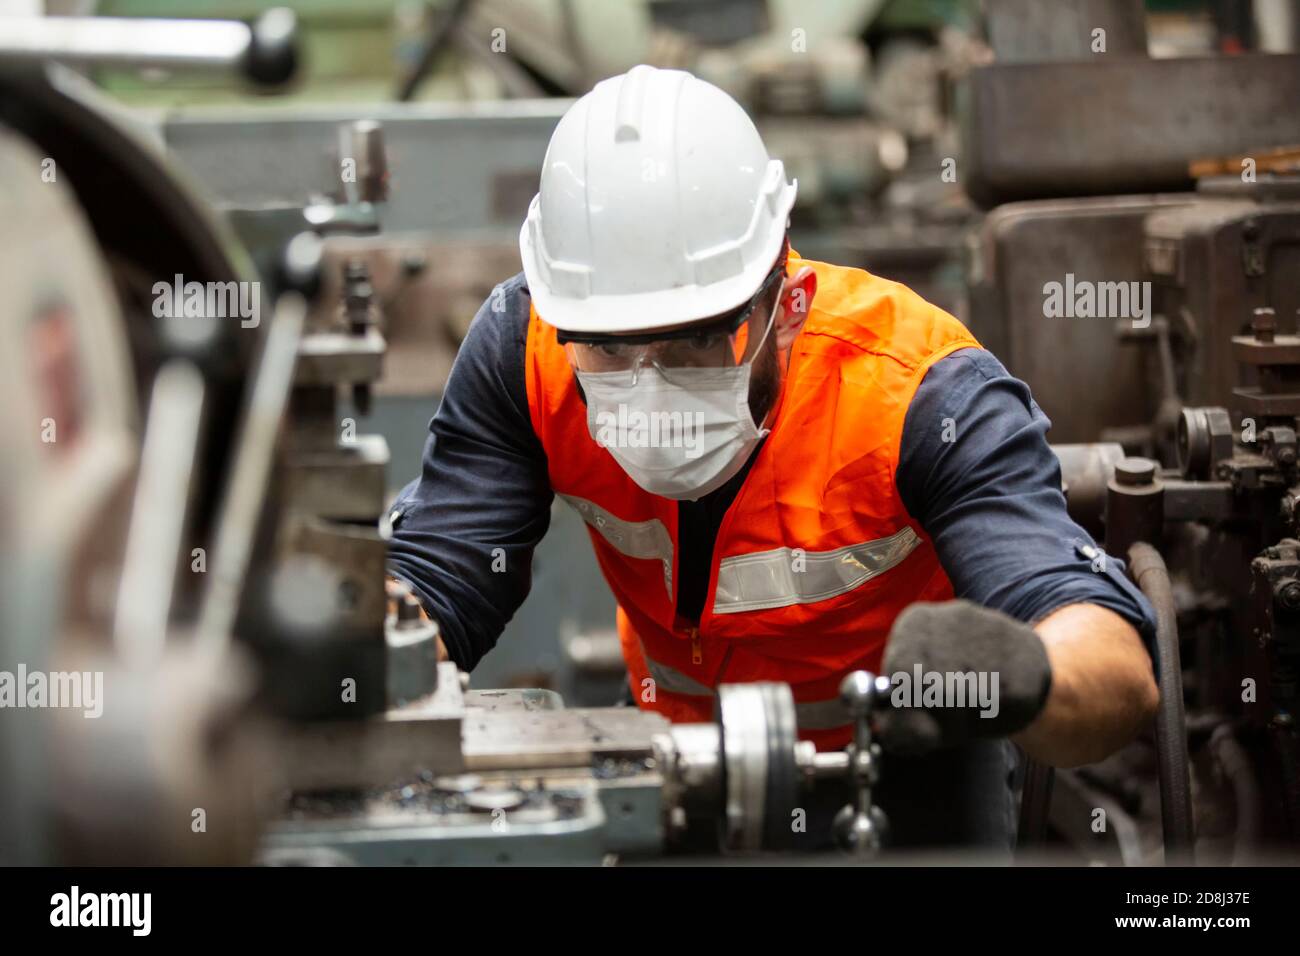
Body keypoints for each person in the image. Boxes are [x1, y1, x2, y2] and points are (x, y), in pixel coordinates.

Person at [386, 65, 1158, 849]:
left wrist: (1020, 678)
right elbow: (442, 582)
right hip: (669, 764)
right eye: (609, 348)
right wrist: (346, 653)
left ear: (784, 306)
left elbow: (1114, 667)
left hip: (901, 783)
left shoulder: (922, 396)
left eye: (695, 341)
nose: (647, 387)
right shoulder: (527, 351)